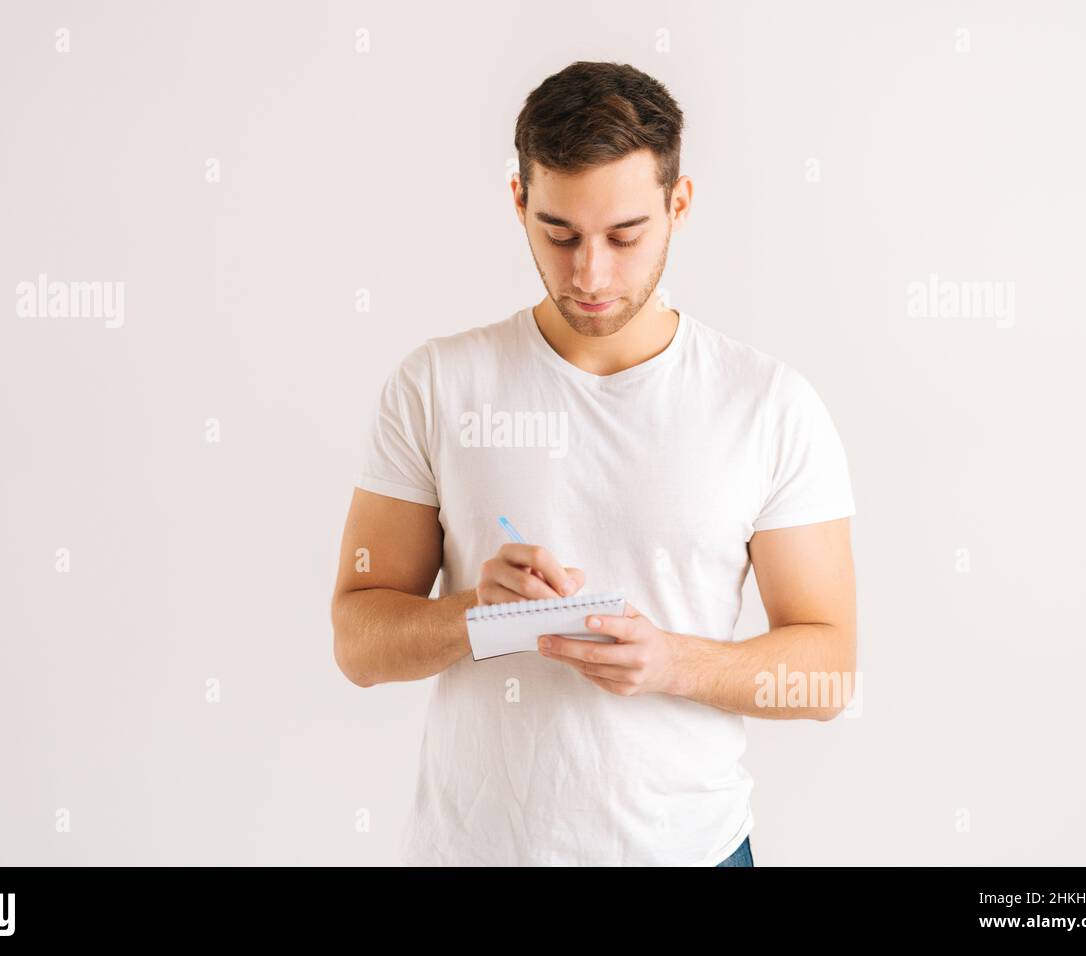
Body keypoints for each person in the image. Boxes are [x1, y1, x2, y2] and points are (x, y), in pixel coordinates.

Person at [331, 61, 857, 866]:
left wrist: (675, 662)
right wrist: (475, 614)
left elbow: (829, 670)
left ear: (679, 205)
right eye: (560, 233)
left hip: (692, 851)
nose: (591, 275)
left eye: (624, 235)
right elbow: (358, 641)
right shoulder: (438, 384)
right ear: (518, 202)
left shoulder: (767, 404)